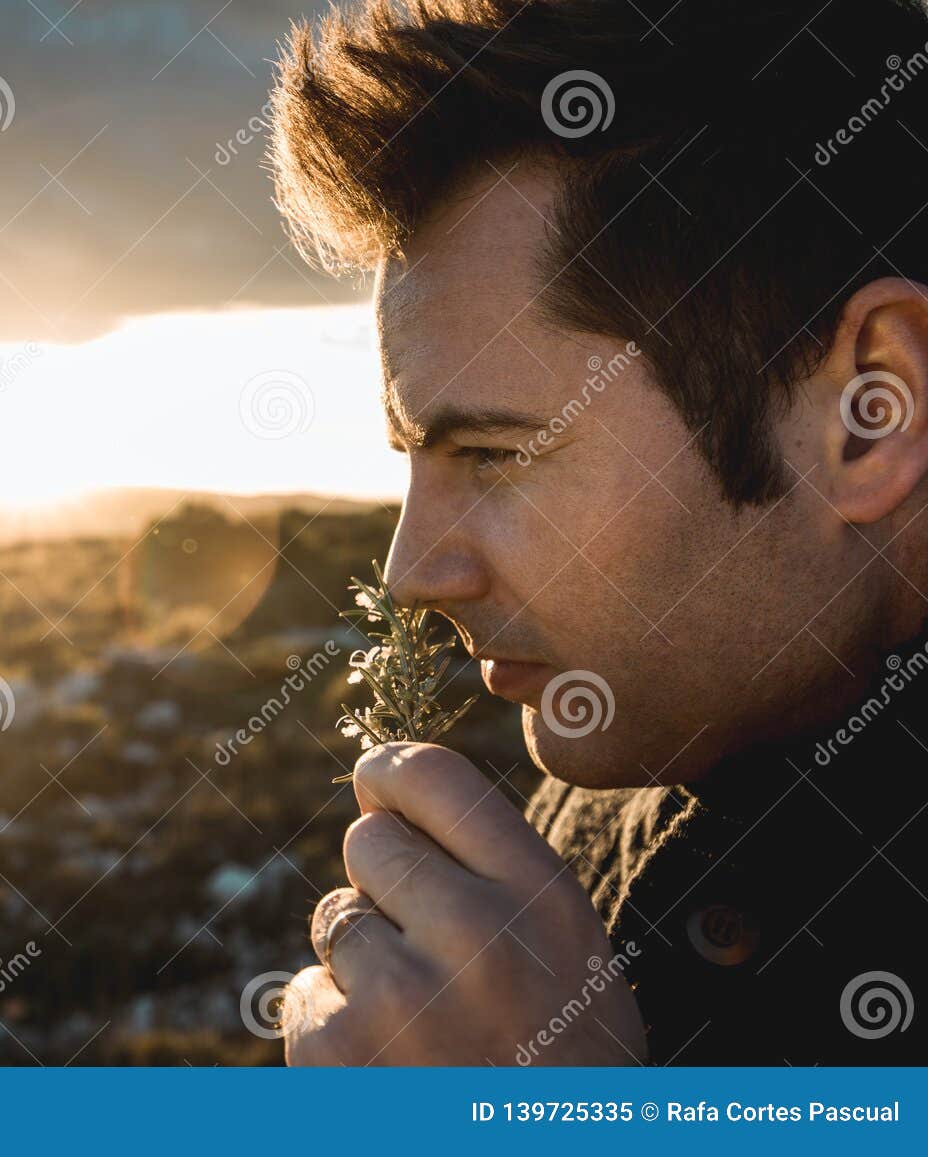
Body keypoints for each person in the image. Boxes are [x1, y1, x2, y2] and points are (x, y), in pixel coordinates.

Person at [269, 0, 928, 1065]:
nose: (409, 573)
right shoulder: (593, 808)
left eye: (496, 454)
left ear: (869, 414)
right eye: (414, 460)